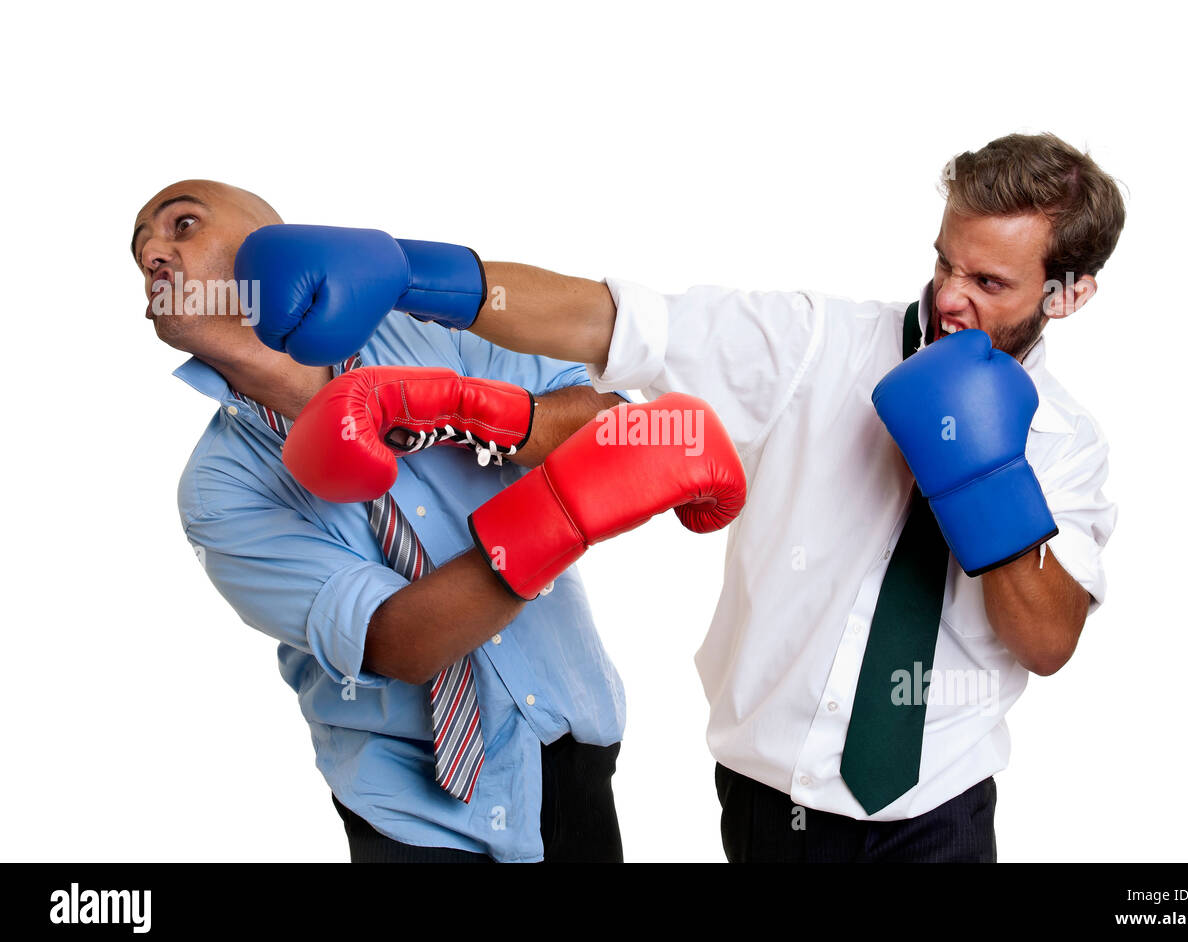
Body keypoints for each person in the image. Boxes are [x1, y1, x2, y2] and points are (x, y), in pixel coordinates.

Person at [239, 130, 1124, 863]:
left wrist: (988, 472)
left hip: (938, 816)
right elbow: (617, 321)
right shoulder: (818, 346)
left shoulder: (1066, 443)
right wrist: (413, 276)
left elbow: (1046, 641)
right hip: (771, 804)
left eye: (990, 283)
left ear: (1068, 293)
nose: (949, 298)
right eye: (944, 263)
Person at [130, 179, 746, 863]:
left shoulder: (425, 326)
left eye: (181, 224)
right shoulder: (220, 488)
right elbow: (398, 642)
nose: (154, 251)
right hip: (417, 818)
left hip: (571, 752)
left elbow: (611, 419)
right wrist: (560, 515)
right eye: (141, 248)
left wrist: (480, 412)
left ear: (273, 239)